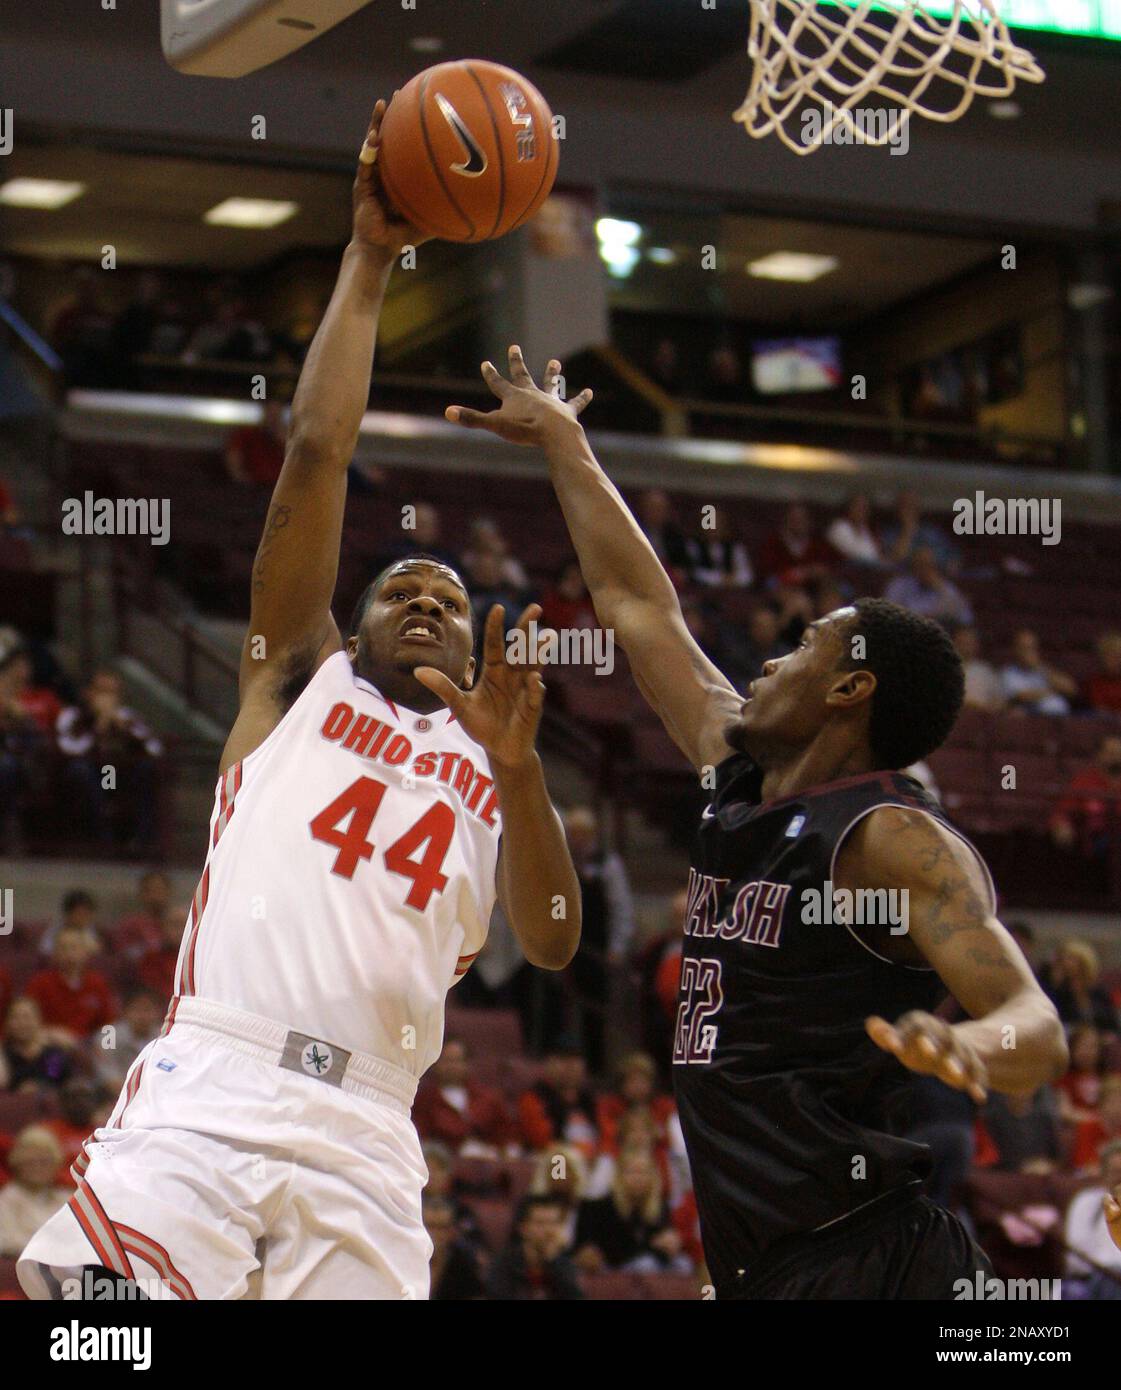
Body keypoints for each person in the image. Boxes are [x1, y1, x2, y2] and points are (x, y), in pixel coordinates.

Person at [18, 102, 581, 1305]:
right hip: (216, 1082)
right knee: (92, 1330)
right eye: (399, 586)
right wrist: (370, 259)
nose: (424, 597)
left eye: (446, 589)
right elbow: (318, 454)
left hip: (371, 1128)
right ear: (353, 618)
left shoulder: (498, 761)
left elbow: (549, 941)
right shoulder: (294, 682)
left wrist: (525, 776)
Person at [443, 346, 1068, 1299]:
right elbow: (638, 607)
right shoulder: (735, 773)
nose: (771, 662)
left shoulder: (890, 838)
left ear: (849, 690)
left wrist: (972, 1046)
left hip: (878, 1261)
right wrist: (567, 447)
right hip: (770, 1267)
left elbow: (1038, 1028)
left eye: (803, 648)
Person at [562, 805, 636, 1076]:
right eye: (573, 833)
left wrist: (617, 947)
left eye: (582, 833)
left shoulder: (608, 864)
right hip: (565, 945)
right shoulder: (561, 859)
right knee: (563, 1005)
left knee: (595, 1012)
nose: (577, 839)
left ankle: (596, 1069)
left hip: (597, 947)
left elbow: (621, 908)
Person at [55, 669, 163, 850]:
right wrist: (99, 727)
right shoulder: (73, 716)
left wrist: (125, 731)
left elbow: (155, 749)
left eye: (112, 693)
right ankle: (103, 838)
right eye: (102, 692)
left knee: (146, 769)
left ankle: (141, 841)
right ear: (88, 693)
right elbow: (69, 748)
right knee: (81, 772)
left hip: (118, 774)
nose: (107, 699)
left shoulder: (127, 717)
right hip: (90, 774)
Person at [573, 1145, 688, 1273]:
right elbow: (614, 1251)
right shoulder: (602, 1207)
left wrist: (671, 1243)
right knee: (645, 1265)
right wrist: (653, 1245)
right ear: (619, 1176)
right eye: (632, 1172)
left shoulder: (661, 1207)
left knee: (683, 1264)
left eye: (643, 1172)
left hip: (652, 1266)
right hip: (613, 1269)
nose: (638, 1178)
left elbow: (664, 1245)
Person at [412, 1037, 515, 1155]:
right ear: (435, 1063)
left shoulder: (488, 1099)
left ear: (467, 1064)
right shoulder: (424, 1100)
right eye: (447, 1060)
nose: (452, 1066)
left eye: (457, 1061)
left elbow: (505, 1136)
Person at [25, 924, 116, 1045]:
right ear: (54, 954)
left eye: (74, 948)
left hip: (88, 1047)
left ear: (85, 952)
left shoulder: (97, 983)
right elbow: (26, 1022)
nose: (69, 953)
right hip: (50, 1045)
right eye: (63, 948)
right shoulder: (39, 983)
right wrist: (48, 1033)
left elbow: (109, 1023)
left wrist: (105, 1045)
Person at [485, 1195, 584, 1300]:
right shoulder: (503, 1266)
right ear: (523, 1228)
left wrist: (553, 1262)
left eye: (554, 1223)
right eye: (541, 1223)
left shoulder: (565, 1266)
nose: (549, 1231)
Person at [0, 1128, 70, 1258]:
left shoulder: (67, 1199)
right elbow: (8, 1242)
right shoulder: (6, 1199)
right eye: (30, 1162)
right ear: (17, 1164)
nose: (37, 1168)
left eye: (44, 1162)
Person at [1050, 735, 1121, 863]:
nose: (1115, 757)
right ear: (1099, 755)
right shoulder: (1084, 782)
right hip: (1099, 839)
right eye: (1111, 753)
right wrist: (1062, 826)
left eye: (1118, 753)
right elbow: (1063, 812)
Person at [1065, 1141, 1121, 1299]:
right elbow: (1076, 1252)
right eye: (1116, 1172)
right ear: (1103, 1174)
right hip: (1094, 1277)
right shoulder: (1087, 1202)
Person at [883, 547, 973, 628]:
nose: (925, 570)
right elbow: (888, 616)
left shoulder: (945, 587)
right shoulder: (898, 586)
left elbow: (966, 618)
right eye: (920, 565)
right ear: (913, 566)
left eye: (929, 565)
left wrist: (940, 589)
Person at [2, 997, 73, 1092]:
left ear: (38, 1020)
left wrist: (38, 1087)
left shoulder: (52, 1054)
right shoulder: (4, 1055)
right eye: (16, 1018)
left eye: (27, 1017)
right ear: (8, 1023)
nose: (22, 1023)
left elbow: (53, 1078)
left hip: (48, 1103)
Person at [1000, 628, 1077, 717]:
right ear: (1016, 650)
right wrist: (1055, 691)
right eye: (1025, 648)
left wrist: (1040, 669)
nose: (1029, 652)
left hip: (1060, 718)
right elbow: (1022, 697)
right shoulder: (1008, 673)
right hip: (1034, 719)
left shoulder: (1043, 670)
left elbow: (1071, 689)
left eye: (1032, 648)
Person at [424, 1193, 486, 1300]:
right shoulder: (402, 1261)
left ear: (452, 1231)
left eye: (441, 1228)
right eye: (430, 1226)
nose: (434, 1234)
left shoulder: (465, 1265)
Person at [110, 870, 172, 963]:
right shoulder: (129, 925)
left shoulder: (178, 923)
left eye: (160, 890)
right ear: (142, 893)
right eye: (151, 890)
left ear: (168, 892)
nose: (156, 896)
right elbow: (125, 955)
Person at [224, 398, 288, 487]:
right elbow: (234, 459)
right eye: (270, 412)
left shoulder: (289, 437)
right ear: (264, 411)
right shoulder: (246, 434)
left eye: (276, 413)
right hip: (253, 488)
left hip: (279, 488)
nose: (273, 417)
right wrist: (242, 481)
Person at [825, 493, 885, 571]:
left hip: (872, 572)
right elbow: (854, 555)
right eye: (857, 506)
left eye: (865, 507)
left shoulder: (867, 531)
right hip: (848, 571)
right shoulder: (838, 527)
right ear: (848, 508)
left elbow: (877, 555)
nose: (862, 511)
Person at [953, 625, 1005, 713]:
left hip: (983, 719)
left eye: (970, 643)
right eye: (963, 643)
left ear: (976, 645)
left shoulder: (986, 671)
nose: (967, 647)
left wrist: (992, 708)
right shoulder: (945, 669)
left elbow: (1000, 699)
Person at [1082, 632, 1121, 715]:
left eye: (1118, 656)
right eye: (1110, 656)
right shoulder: (1094, 683)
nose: (1116, 660)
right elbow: (1100, 711)